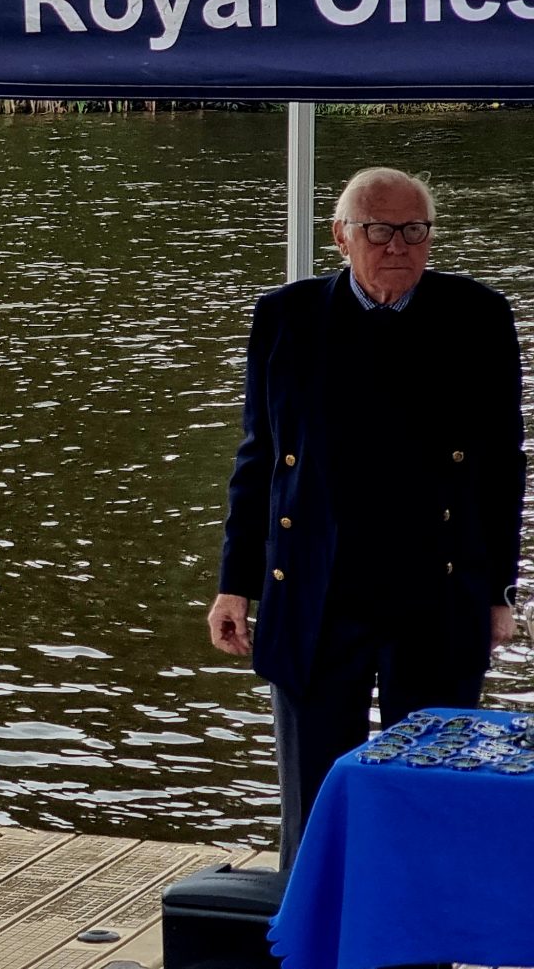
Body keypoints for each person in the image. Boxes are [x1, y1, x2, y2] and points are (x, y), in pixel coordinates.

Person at [211, 166, 525, 867]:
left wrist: (499, 592)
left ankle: (422, 924)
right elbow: (259, 458)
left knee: (432, 789)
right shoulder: (287, 316)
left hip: (437, 589)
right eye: (379, 230)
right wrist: (236, 583)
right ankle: (315, 920)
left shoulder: (477, 315)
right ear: (341, 236)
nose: (398, 246)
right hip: (316, 590)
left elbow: (503, 467)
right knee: (316, 801)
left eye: (415, 230)